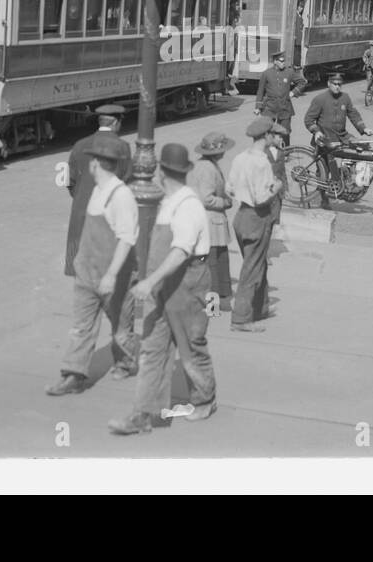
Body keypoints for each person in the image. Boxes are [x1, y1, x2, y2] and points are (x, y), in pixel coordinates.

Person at [109, 144, 216, 435]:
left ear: (162, 172)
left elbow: (181, 251)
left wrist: (149, 281)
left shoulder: (188, 205)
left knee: (191, 344)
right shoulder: (170, 201)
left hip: (188, 283)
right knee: (153, 348)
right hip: (167, 284)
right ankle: (142, 414)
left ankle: (204, 399)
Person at [46, 133, 141, 396]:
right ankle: (73, 375)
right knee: (81, 327)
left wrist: (111, 274)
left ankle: (125, 362)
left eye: (93, 161)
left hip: (114, 275)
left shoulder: (121, 196)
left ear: (98, 164)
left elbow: (125, 239)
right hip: (87, 272)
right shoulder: (98, 190)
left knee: (121, 328)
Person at [225, 117, 282, 333]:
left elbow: (230, 188)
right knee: (251, 268)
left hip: (240, 217)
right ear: (266, 136)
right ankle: (241, 318)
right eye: (272, 134)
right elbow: (261, 198)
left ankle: (261, 307)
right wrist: (276, 187)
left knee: (259, 263)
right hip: (257, 217)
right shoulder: (262, 162)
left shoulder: (240, 157)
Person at [64, 104, 131, 277]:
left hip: (81, 209)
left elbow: (69, 181)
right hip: (109, 213)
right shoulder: (122, 146)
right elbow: (127, 179)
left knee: (81, 266)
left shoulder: (79, 145)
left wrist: (81, 196)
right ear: (116, 122)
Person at [304, 72, 373, 203]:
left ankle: (349, 183)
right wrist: (316, 131)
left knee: (361, 150)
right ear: (328, 84)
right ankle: (323, 198)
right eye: (334, 84)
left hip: (342, 136)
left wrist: (364, 128)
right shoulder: (320, 99)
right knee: (324, 169)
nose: (337, 87)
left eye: (339, 84)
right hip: (324, 138)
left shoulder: (345, 98)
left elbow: (353, 114)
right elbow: (308, 120)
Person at [190, 132, 235, 313]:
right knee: (213, 268)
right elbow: (206, 198)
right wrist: (225, 202)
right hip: (211, 223)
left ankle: (217, 303)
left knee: (218, 265)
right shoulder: (207, 169)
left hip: (212, 223)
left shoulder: (206, 165)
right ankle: (212, 307)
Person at [254, 49, 306, 145]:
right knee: (268, 132)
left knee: (285, 132)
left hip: (285, 107)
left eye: (284, 61)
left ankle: (286, 153)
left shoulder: (289, 72)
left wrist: (293, 92)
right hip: (269, 108)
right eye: (281, 61)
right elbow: (260, 91)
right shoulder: (266, 73)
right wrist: (258, 107)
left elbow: (302, 82)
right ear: (275, 62)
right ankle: (269, 152)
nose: (283, 63)